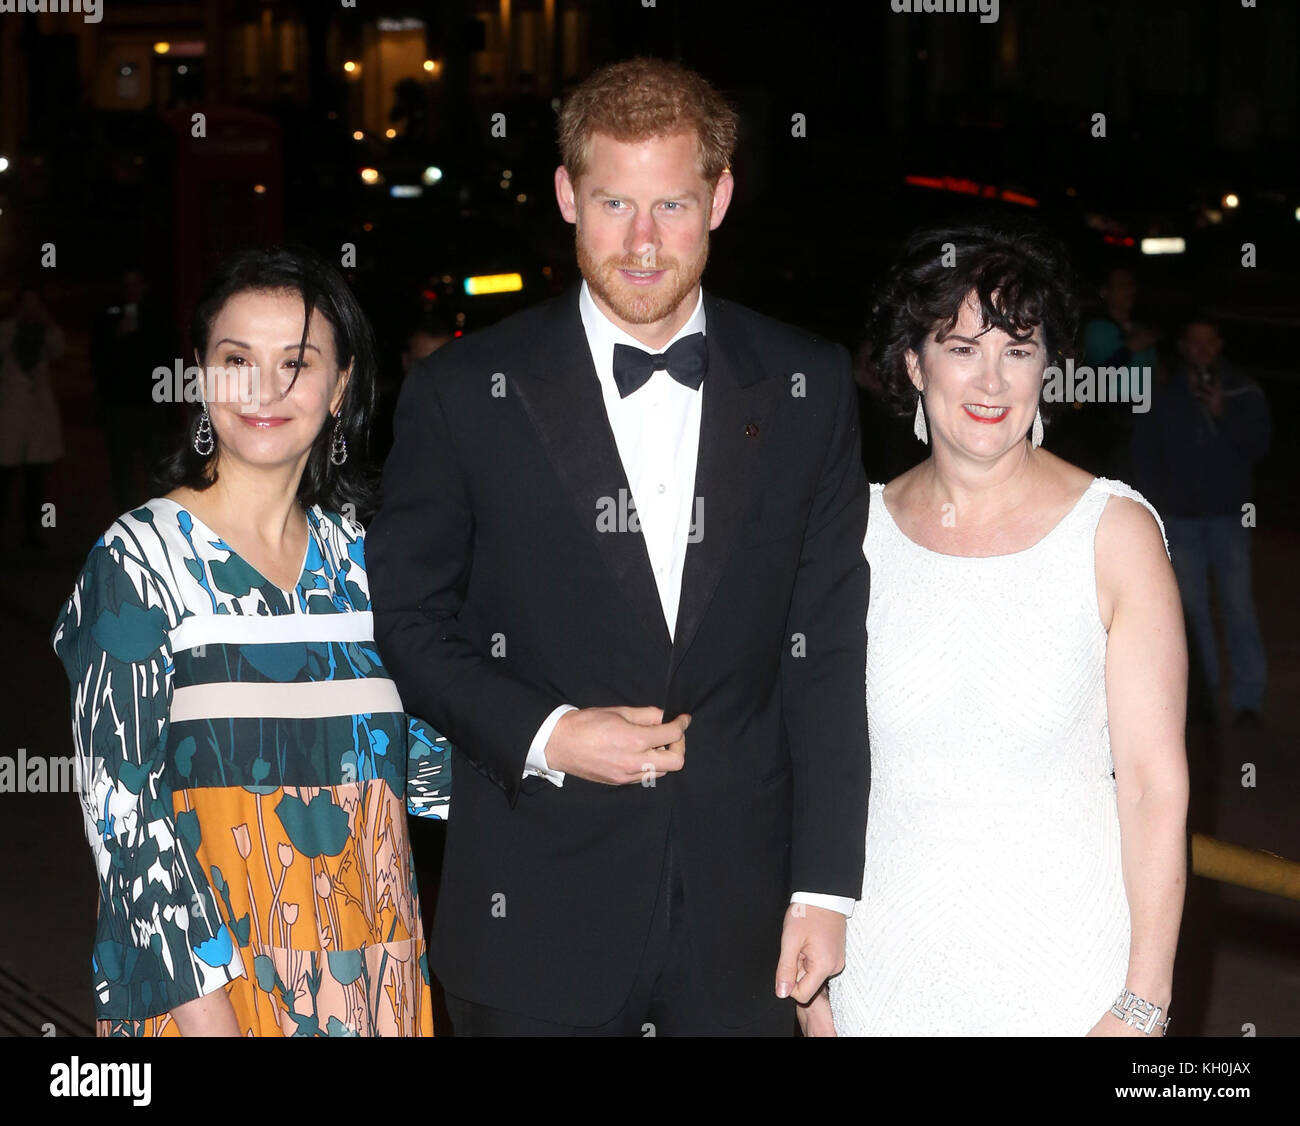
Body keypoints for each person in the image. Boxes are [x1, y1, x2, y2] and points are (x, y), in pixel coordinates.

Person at [367, 57, 870, 1036]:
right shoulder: (466, 392)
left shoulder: (807, 385)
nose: (642, 243)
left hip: (743, 925)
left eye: (672, 205)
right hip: (531, 919)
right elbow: (410, 623)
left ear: (719, 197)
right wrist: (549, 732)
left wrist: (824, 887)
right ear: (565, 193)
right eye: (613, 203)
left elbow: (827, 650)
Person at [52, 247, 449, 1036]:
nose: (264, 391)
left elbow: (435, 776)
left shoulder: (372, 564)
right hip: (210, 1003)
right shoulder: (140, 561)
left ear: (341, 388)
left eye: (296, 364)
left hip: (375, 984)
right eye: (237, 360)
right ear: (199, 376)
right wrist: (211, 1020)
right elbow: (123, 818)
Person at [816, 221, 1189, 1036]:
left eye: (1018, 350)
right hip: (881, 978)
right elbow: (808, 765)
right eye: (960, 347)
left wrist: (1143, 1000)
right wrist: (816, 995)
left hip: (1066, 983)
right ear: (912, 363)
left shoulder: (1113, 535)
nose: (992, 379)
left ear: (1047, 368)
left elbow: (1156, 789)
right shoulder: (853, 535)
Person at [1131, 312, 1271, 728]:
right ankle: (1205, 699)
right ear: (1183, 347)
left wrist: (1224, 411)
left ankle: (1249, 700)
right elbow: (1145, 452)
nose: (1202, 350)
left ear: (1220, 345)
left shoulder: (1242, 388)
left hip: (1230, 519)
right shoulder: (1164, 390)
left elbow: (1260, 445)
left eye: (1209, 342)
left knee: (1238, 608)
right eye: (1194, 342)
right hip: (1181, 520)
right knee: (1191, 614)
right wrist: (1156, 506)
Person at [91, 268, 178, 512]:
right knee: (122, 465)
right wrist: (117, 335)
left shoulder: (157, 313)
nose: (132, 291)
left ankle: (158, 517)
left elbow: (169, 355)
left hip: (152, 401)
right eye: (127, 285)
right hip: (119, 404)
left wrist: (170, 401)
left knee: (157, 463)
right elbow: (98, 356)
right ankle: (126, 516)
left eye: (136, 285)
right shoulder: (109, 313)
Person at [1075, 264, 1161, 477]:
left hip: (1146, 414)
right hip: (1112, 418)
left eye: (1131, 285)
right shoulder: (1097, 328)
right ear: (1106, 292)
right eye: (1122, 286)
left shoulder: (1140, 327)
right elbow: (1096, 377)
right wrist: (1131, 348)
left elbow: (1154, 370)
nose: (1129, 290)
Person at [0, 285, 65, 548]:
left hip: (37, 416)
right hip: (10, 414)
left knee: (35, 481)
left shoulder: (45, 333)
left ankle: (32, 532)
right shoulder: (6, 330)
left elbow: (59, 348)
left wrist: (47, 322)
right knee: (4, 478)